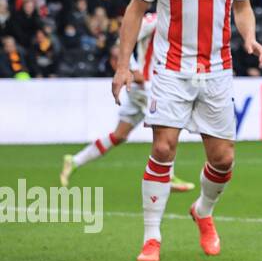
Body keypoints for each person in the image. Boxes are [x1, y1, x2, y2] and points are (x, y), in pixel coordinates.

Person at [114, 0, 262, 261]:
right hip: (170, 68)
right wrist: (123, 65)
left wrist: (249, 37)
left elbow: (243, 4)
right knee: (163, 147)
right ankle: (152, 237)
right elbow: (135, 10)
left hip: (217, 71)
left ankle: (202, 211)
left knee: (223, 160)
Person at [61, 11, 196, 192]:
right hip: (147, 86)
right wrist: (132, 68)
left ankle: (74, 160)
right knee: (168, 125)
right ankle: (168, 176)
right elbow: (123, 39)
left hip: (155, 86)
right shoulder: (154, 20)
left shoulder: (181, 23)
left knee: (119, 135)